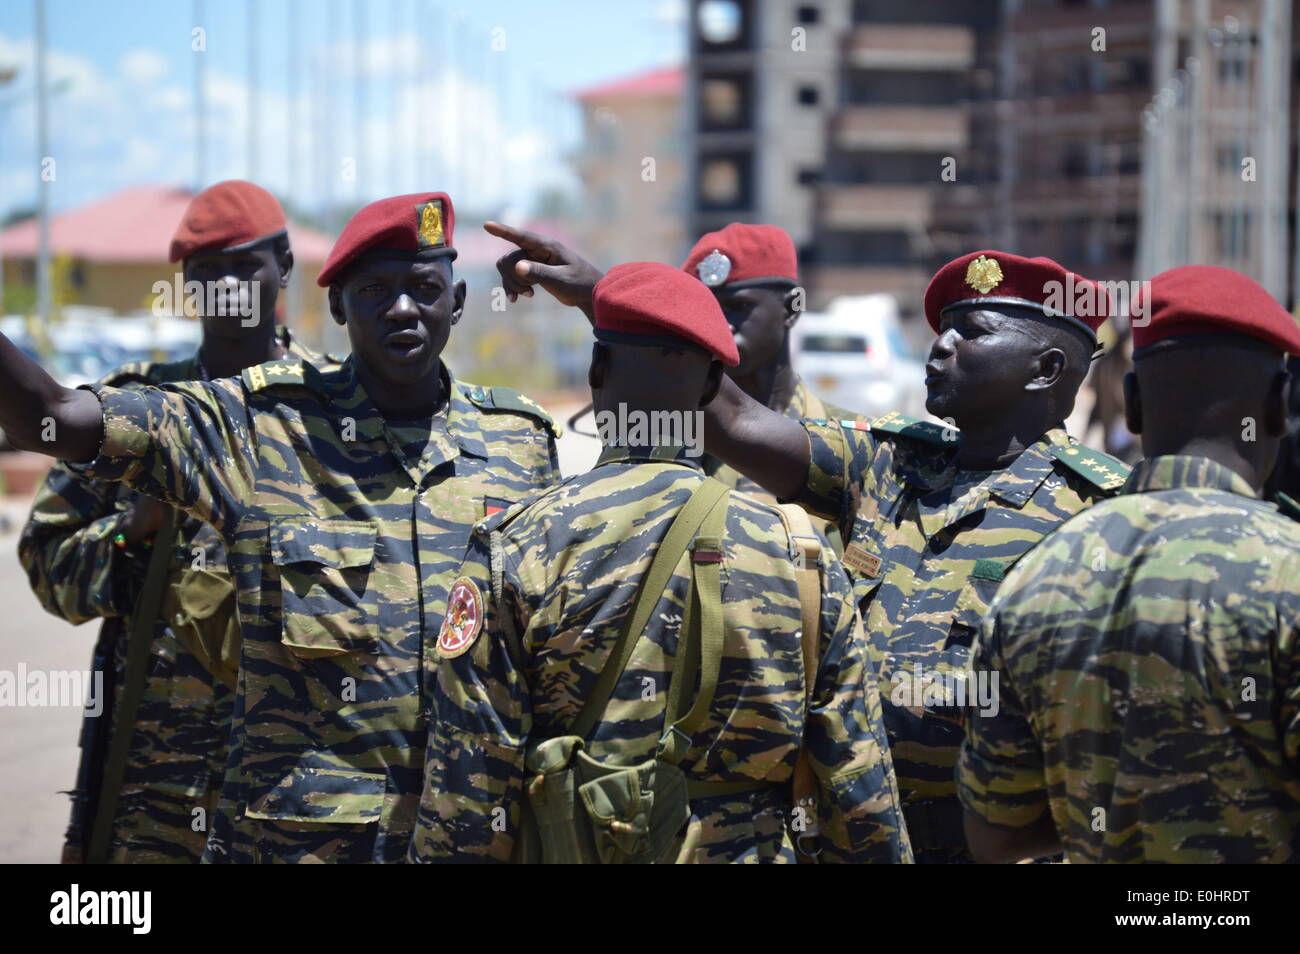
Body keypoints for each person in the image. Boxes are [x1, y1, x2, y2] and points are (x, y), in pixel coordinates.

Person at [491, 237, 1131, 861]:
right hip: (851, 833)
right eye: (944, 329)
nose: (941, 345)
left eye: (973, 333)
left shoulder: (1104, 514)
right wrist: (609, 301)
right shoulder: (890, 463)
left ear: (1046, 369)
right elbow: (730, 417)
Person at [0, 191, 560, 864]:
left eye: (423, 288)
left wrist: (605, 304)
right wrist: (130, 534)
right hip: (235, 801)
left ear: (458, 300)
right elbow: (51, 423)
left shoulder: (516, 442)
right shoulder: (263, 424)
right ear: (339, 305)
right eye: (376, 289)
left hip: (465, 832)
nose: (402, 309)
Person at [408, 262, 911, 864]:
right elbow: (860, 791)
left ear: (596, 371)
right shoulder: (800, 555)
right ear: (712, 386)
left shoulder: (517, 546)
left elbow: (467, 794)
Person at [20, 180, 336, 863]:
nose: (226, 285)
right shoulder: (129, 405)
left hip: (296, 790)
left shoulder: (334, 408)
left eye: (244, 264)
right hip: (153, 787)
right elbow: (48, 563)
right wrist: (130, 530)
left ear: (284, 264)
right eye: (207, 270)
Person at [959, 265, 1300, 864]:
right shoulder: (1288, 571)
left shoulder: (1036, 574)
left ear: (1133, 404)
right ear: (1281, 404)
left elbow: (996, 834)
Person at [490, 220, 849, 511]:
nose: (720, 324)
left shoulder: (845, 450)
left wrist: (595, 293)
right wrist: (597, 298)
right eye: (707, 309)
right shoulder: (668, 428)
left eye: (737, 307)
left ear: (790, 308)